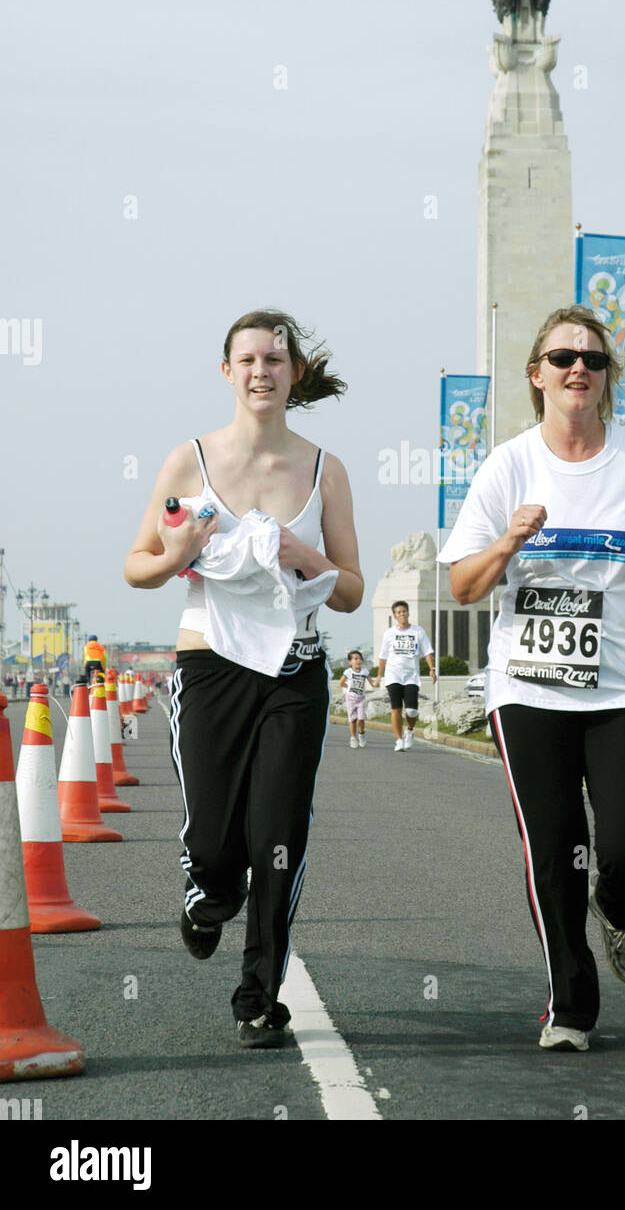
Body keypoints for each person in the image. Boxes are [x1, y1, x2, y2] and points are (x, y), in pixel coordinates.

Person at [438, 304, 625, 1053]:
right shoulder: (508, 465)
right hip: (529, 689)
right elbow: (464, 587)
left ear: (607, 380)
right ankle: (571, 1000)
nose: (577, 369)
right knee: (553, 843)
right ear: (537, 375)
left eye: (592, 360)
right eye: (563, 357)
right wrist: (508, 541)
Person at [124, 307, 363, 1049]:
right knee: (221, 846)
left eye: (275, 359)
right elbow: (136, 566)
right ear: (228, 372)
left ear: (294, 374)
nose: (262, 371)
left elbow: (352, 588)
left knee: (278, 838)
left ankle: (259, 998)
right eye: (249, 359)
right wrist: (178, 552)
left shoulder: (325, 469)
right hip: (209, 669)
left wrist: (305, 555)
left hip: (294, 674)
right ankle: (208, 896)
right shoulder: (189, 461)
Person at [374, 601, 436, 751]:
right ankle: (399, 739)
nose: (402, 614)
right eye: (399, 612)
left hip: (411, 676)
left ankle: (409, 730)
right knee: (396, 708)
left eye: (404, 611)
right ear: (395, 616)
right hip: (393, 675)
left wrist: (432, 668)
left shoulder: (418, 631)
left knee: (411, 711)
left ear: (408, 613)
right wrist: (378, 677)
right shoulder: (389, 633)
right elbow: (383, 657)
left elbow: (427, 651)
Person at [339, 650, 370, 748]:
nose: (358, 661)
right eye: (355, 659)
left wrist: (376, 683)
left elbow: (372, 682)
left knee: (361, 718)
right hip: (351, 699)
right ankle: (353, 738)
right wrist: (349, 687)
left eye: (360, 659)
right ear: (350, 662)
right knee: (352, 719)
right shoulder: (348, 672)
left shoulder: (365, 671)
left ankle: (361, 735)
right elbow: (341, 683)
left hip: (361, 698)